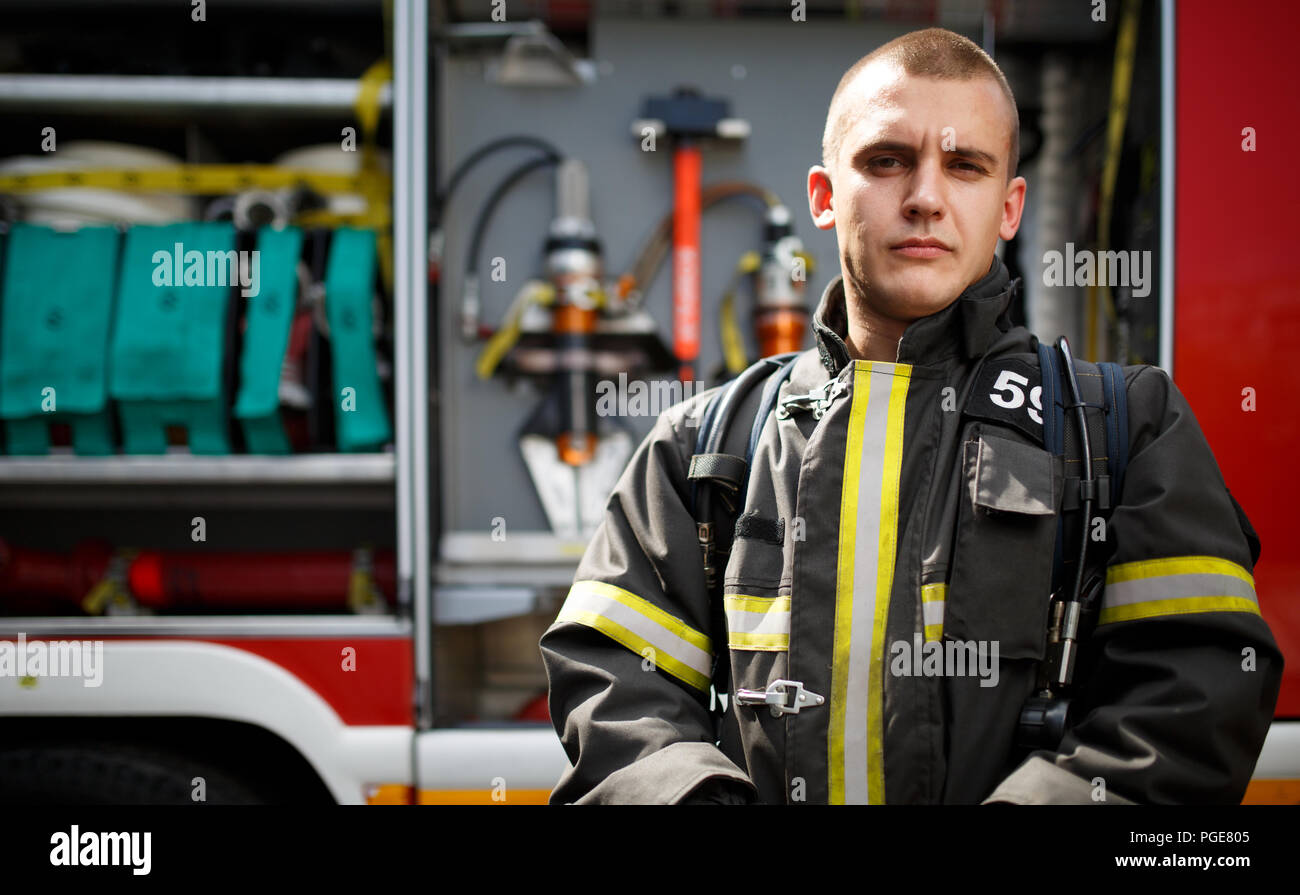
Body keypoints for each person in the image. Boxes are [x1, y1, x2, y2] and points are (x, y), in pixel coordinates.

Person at [539, 27, 1283, 804]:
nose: (926, 195)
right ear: (824, 196)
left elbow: (1192, 702)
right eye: (887, 160)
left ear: (1009, 207)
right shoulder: (699, 447)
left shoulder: (1128, 430)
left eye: (965, 166)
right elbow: (616, 684)